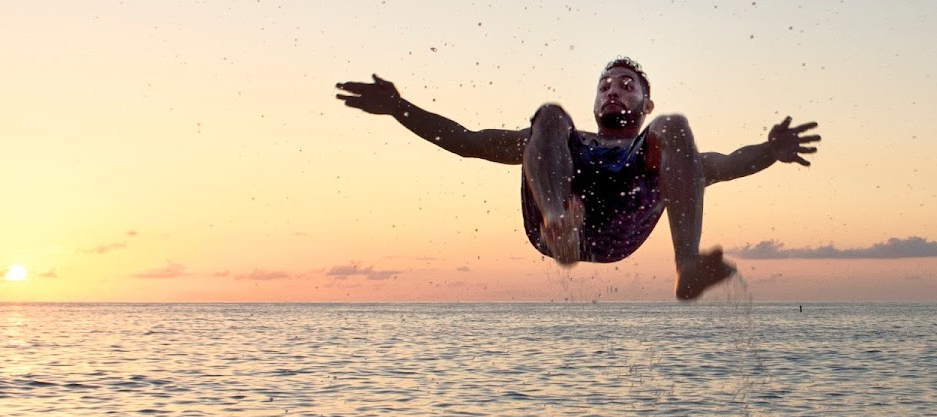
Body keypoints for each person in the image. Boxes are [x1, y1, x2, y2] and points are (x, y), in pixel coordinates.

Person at [335, 57, 820, 300]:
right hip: (553, 218)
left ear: (642, 105)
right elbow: (467, 139)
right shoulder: (563, 142)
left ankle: (688, 266)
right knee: (548, 114)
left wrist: (770, 151)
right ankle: (559, 222)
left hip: (619, 234)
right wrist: (400, 108)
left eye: (626, 86)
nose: (614, 91)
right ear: (596, 103)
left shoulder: (658, 149)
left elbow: (729, 162)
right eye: (605, 86)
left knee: (677, 129)